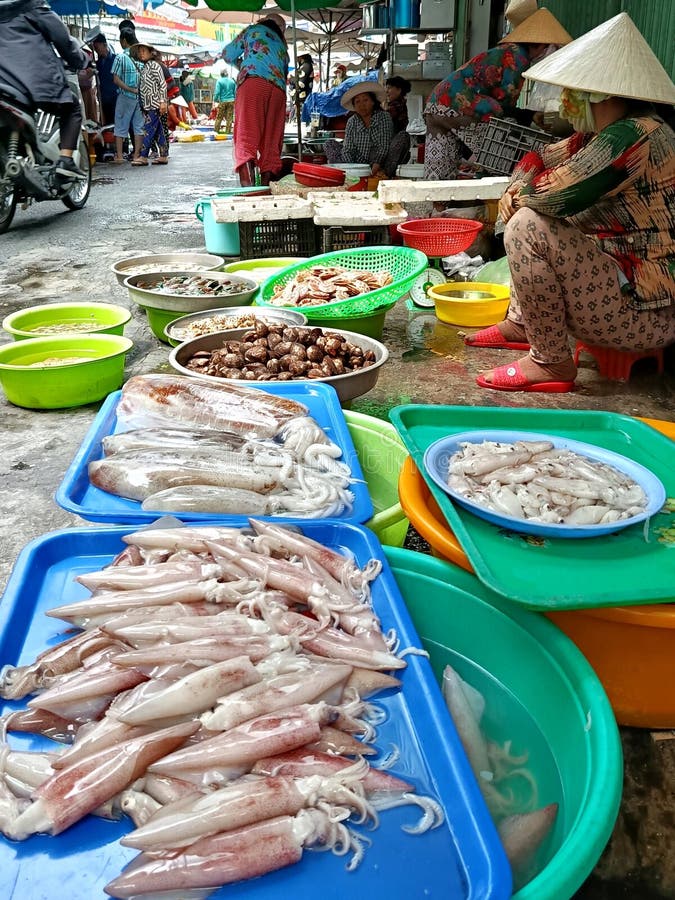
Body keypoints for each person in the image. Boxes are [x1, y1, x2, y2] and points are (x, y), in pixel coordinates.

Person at [465, 13, 675, 393]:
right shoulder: (596, 135)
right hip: (617, 286)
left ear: (600, 94)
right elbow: (540, 156)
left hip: (645, 311)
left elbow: (552, 195)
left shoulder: (634, 136)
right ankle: (522, 324)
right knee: (527, 213)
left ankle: (550, 361)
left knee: (528, 226)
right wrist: (517, 189)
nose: (563, 103)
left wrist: (518, 196)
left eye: (571, 92)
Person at [423, 8, 571, 180]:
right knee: (497, 159)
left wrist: (530, 116)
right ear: (540, 45)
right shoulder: (518, 59)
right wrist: (531, 116)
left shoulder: (506, 50)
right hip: (462, 107)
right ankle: (487, 202)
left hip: (436, 104)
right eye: (550, 48)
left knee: (439, 170)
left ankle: (437, 207)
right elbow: (505, 108)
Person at [0, 0, 88, 184]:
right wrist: (81, 60)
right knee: (72, 108)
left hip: (5, 85)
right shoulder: (30, 5)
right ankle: (65, 162)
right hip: (34, 81)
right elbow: (62, 38)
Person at [222, 14, 289, 186]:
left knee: (247, 137)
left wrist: (245, 64)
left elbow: (227, 55)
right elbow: (284, 72)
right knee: (271, 143)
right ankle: (267, 188)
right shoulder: (282, 46)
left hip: (254, 84)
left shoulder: (253, 30)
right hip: (278, 91)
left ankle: (250, 191)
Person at [325, 81, 410, 178]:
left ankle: (386, 174)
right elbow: (348, 149)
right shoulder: (352, 122)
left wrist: (373, 170)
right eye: (357, 102)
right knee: (329, 144)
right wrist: (353, 170)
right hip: (357, 166)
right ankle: (344, 175)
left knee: (403, 137)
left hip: (382, 164)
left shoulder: (384, 117)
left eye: (365, 100)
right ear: (354, 106)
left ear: (373, 102)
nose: (362, 105)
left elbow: (383, 146)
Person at [130, 40, 168, 166]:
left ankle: (143, 156)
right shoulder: (146, 67)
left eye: (144, 51)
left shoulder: (154, 66)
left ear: (151, 53)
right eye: (140, 51)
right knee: (157, 131)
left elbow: (162, 84)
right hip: (147, 105)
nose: (141, 54)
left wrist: (163, 102)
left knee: (148, 130)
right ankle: (163, 155)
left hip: (154, 104)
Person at [111, 26, 143, 164]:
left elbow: (116, 80)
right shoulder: (141, 57)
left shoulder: (120, 57)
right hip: (140, 98)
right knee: (138, 127)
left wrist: (129, 89)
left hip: (125, 97)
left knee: (120, 126)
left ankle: (119, 156)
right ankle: (136, 155)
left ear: (124, 41)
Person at [87, 31, 116, 128]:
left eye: (97, 47)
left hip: (116, 100)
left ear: (104, 45)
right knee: (107, 126)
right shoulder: (98, 64)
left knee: (118, 126)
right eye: (94, 48)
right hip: (104, 100)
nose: (96, 50)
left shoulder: (116, 60)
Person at [212, 70, 236, 134]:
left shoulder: (219, 81)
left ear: (221, 74)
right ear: (227, 74)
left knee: (219, 117)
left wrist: (215, 100)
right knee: (229, 117)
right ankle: (228, 132)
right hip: (231, 101)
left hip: (223, 101)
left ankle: (216, 131)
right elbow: (235, 92)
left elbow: (217, 92)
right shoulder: (232, 81)